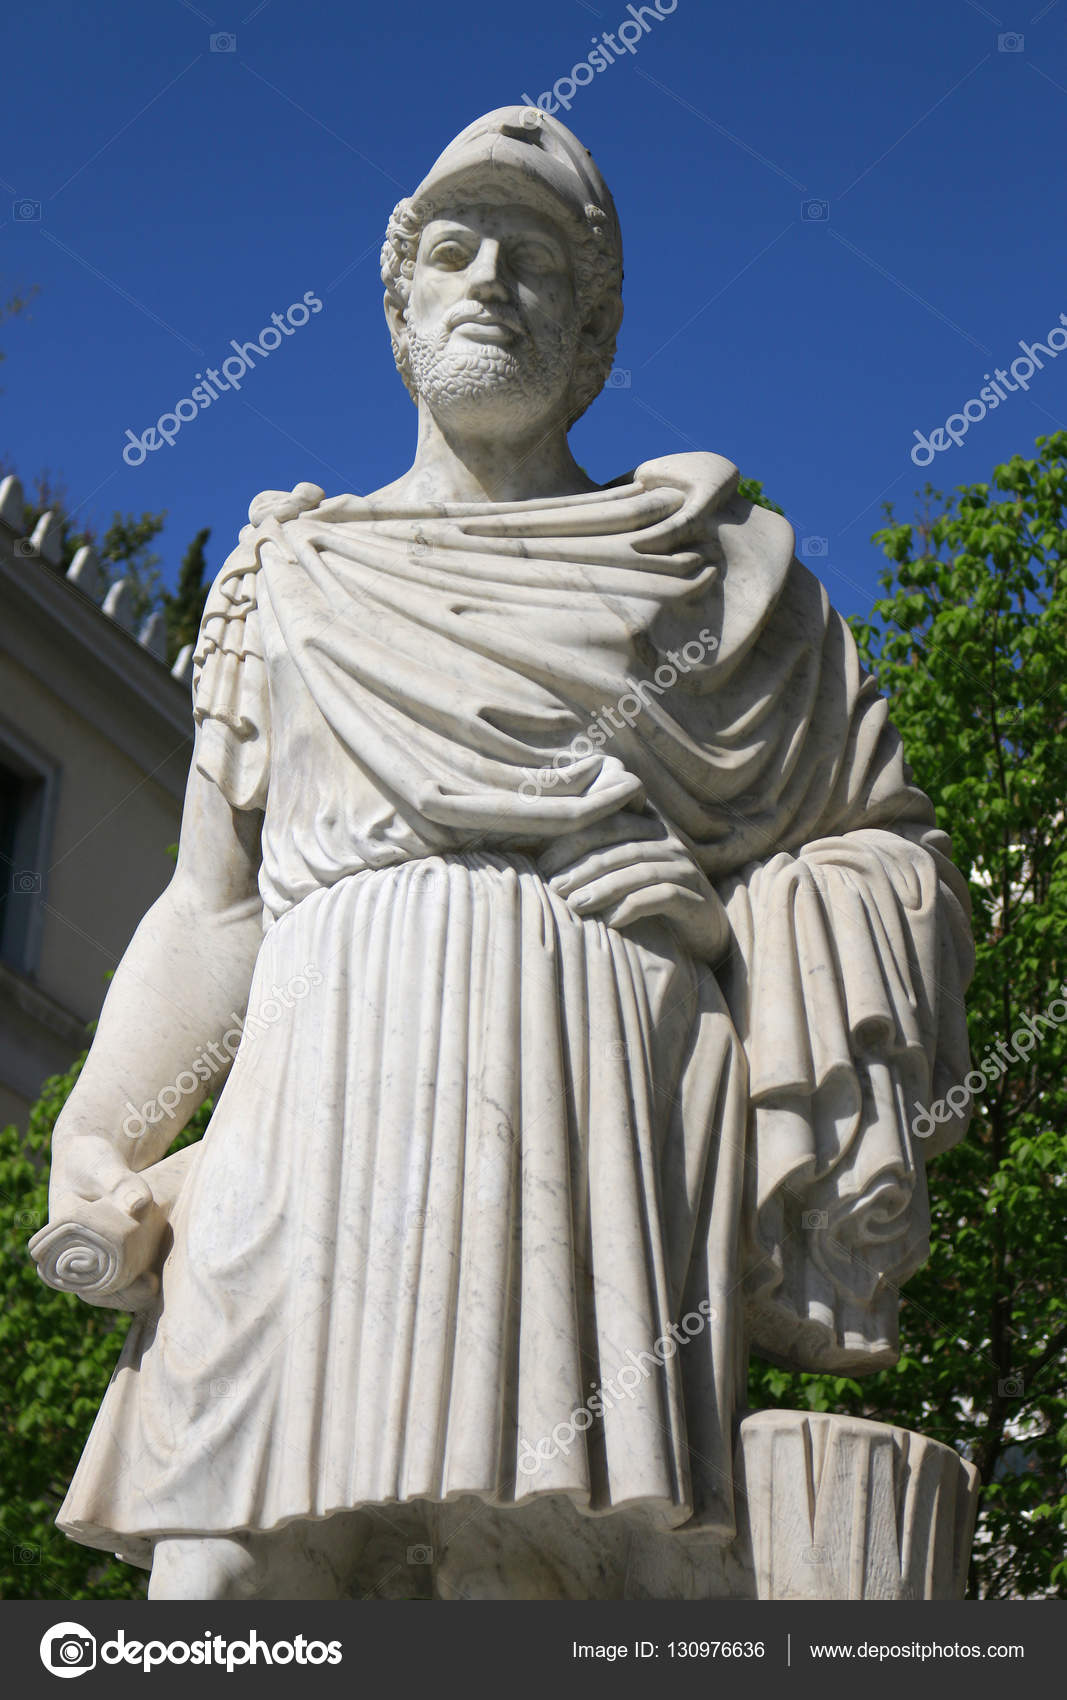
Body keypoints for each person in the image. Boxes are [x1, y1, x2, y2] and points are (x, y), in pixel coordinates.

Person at [42, 107, 973, 1600]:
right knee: (222, 1585)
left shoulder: (718, 578)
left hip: (602, 1124)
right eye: (455, 252)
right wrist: (104, 1136)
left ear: (593, 333)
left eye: (534, 262)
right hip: (306, 1127)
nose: (489, 283)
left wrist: (733, 924)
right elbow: (215, 907)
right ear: (400, 314)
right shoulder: (292, 572)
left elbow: (891, 860)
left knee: (569, 1584)